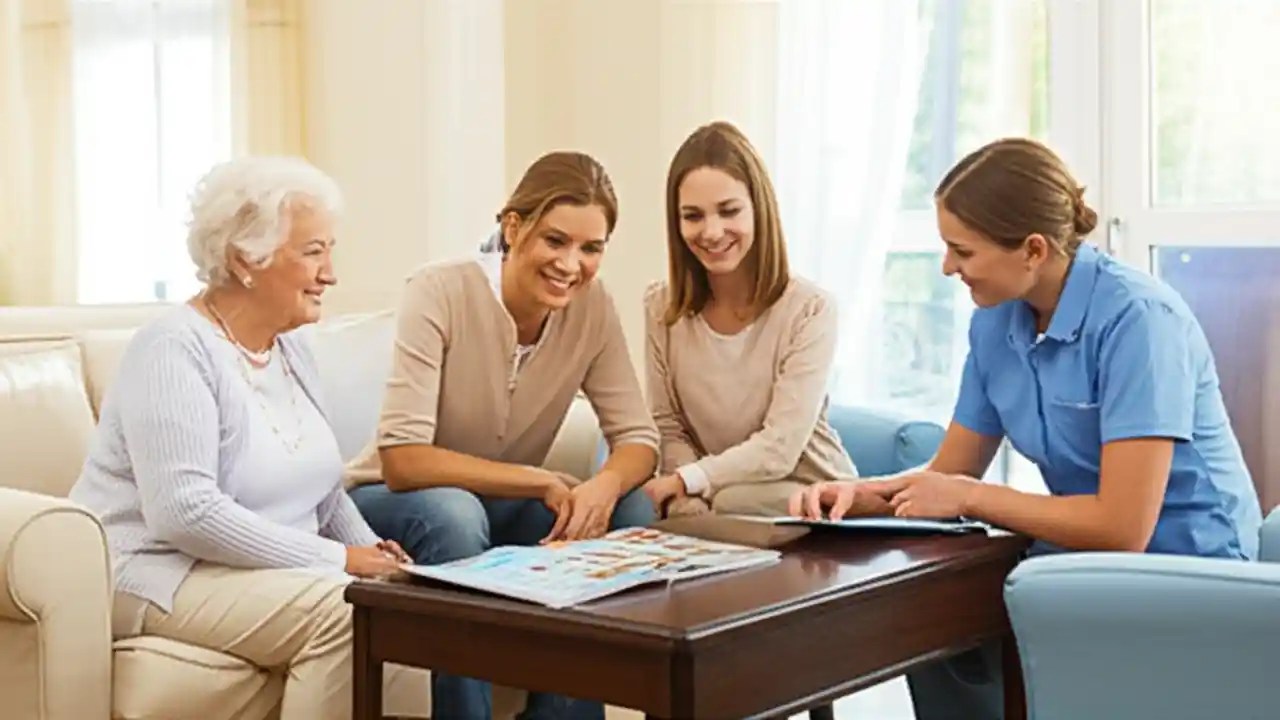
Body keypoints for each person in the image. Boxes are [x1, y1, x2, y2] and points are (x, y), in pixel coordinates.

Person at [790, 137, 1264, 719]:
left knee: (1003, 618)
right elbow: (951, 473)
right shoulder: (995, 324)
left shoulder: (1139, 320)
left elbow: (1122, 528)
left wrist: (969, 497)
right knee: (930, 617)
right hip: (1086, 559)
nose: (947, 267)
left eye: (962, 250)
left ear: (1033, 250)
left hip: (1192, 569)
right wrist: (859, 496)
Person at [68, 156, 420, 720]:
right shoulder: (173, 349)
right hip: (157, 570)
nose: (331, 274)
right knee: (350, 612)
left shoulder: (291, 347)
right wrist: (340, 560)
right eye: (313, 252)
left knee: (405, 608)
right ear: (244, 261)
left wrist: (376, 556)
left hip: (252, 572)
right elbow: (184, 513)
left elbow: (323, 491)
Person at [346, 150, 659, 720]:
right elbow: (403, 460)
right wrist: (537, 480)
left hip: (500, 505)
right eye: (556, 240)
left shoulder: (593, 308)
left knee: (630, 508)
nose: (571, 265)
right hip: (396, 502)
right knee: (455, 513)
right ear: (513, 227)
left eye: (591, 248)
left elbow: (639, 438)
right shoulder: (439, 290)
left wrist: (604, 486)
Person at [641, 120, 888, 519]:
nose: (711, 231)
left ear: (759, 209)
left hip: (819, 505)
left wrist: (690, 481)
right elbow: (669, 427)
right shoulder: (661, 308)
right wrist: (687, 501)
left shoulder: (810, 310)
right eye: (693, 216)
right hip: (718, 503)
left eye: (729, 211)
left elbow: (779, 448)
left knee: (732, 501)